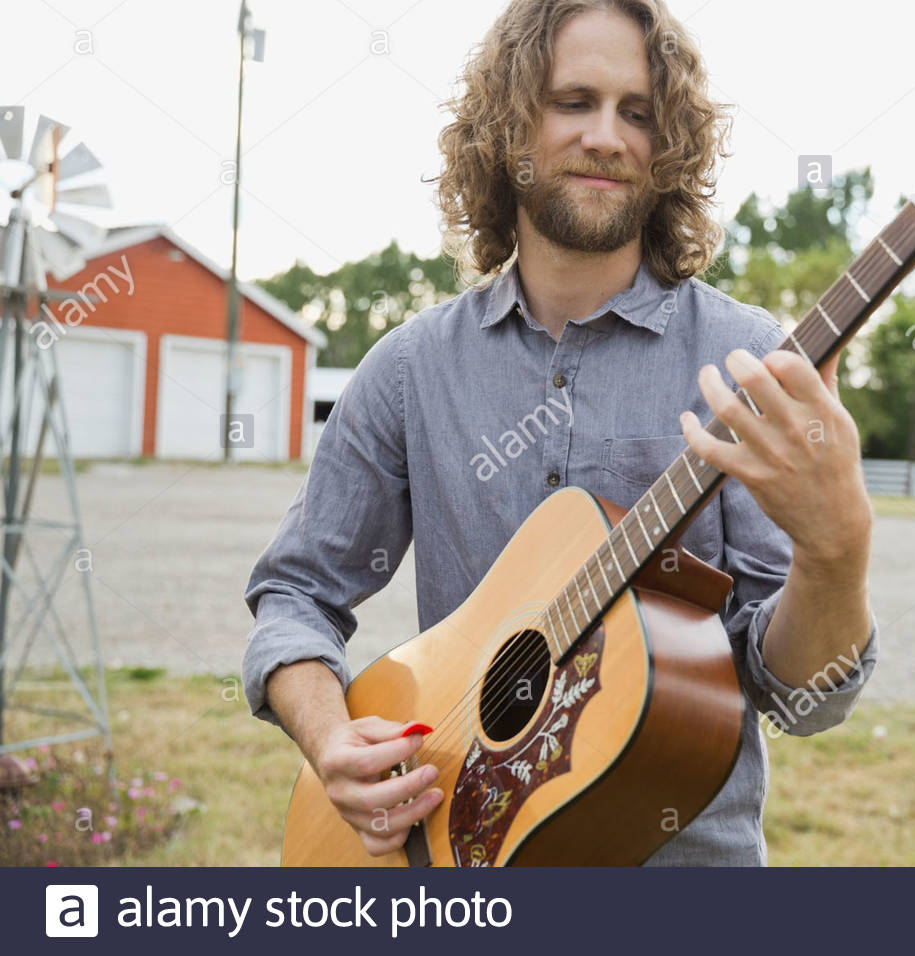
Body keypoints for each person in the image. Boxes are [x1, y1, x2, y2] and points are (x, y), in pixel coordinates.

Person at [243, 0, 879, 866]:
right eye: (573, 102)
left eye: (639, 112)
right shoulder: (409, 369)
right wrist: (330, 743)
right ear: (509, 126)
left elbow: (803, 701)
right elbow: (296, 596)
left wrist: (835, 552)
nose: (607, 137)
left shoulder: (750, 363)